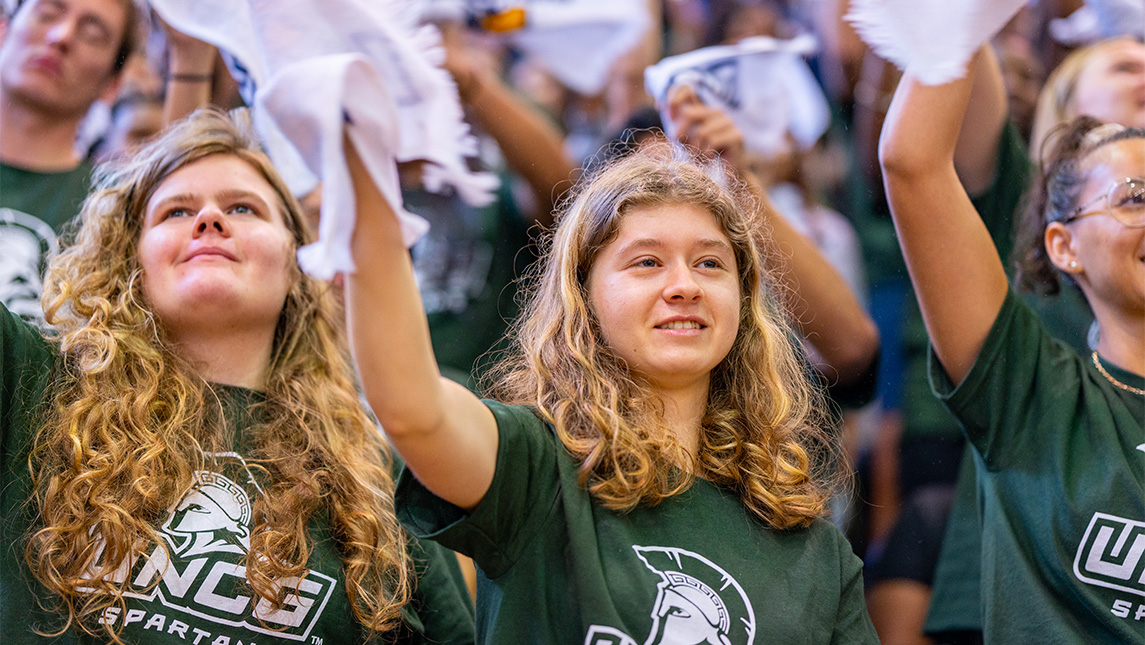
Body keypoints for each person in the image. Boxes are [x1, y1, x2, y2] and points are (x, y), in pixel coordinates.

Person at [346, 128, 878, 641]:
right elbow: (411, 408)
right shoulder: (534, 467)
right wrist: (363, 181)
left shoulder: (815, 548)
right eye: (647, 262)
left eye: (710, 263)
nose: (684, 285)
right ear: (585, 296)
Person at [0, 109, 475, 644]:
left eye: (243, 208)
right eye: (176, 212)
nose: (209, 219)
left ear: (299, 266)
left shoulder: (368, 471)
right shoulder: (33, 386)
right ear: (128, 259)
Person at [879, 45, 1144, 643]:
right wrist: (954, 26)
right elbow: (913, 163)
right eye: (1135, 197)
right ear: (1064, 246)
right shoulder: (1028, 391)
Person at [0, 0, 137, 324]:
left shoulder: (115, 209)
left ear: (112, 85)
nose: (61, 36)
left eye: (92, 34)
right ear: (3, 30)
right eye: (47, 13)